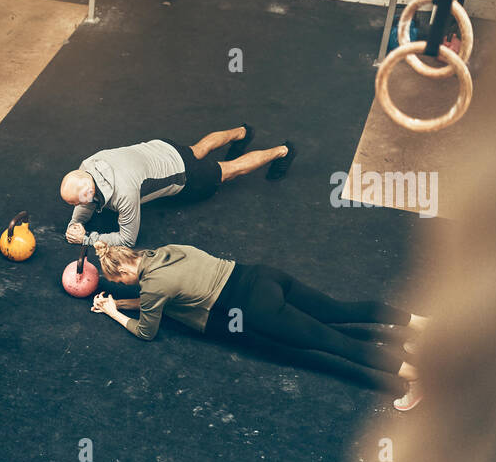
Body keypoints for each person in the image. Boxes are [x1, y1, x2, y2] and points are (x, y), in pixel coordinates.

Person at [87, 241, 428, 410]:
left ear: (124, 273)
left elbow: (147, 330)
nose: (128, 287)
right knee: (338, 310)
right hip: (263, 276)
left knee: (331, 342)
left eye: (123, 283)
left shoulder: (153, 286)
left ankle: (416, 377)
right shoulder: (165, 251)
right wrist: (118, 301)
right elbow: (156, 298)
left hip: (258, 308)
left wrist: (112, 312)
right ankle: (421, 324)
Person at [62, 127, 294, 247]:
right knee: (199, 149)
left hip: (183, 173)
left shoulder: (124, 192)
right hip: (162, 148)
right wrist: (76, 223)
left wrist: (87, 239)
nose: (76, 206)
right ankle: (243, 132)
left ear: (88, 192)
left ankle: (283, 151)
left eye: (75, 203)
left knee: (229, 170)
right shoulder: (87, 165)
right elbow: (87, 200)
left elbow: (127, 240)